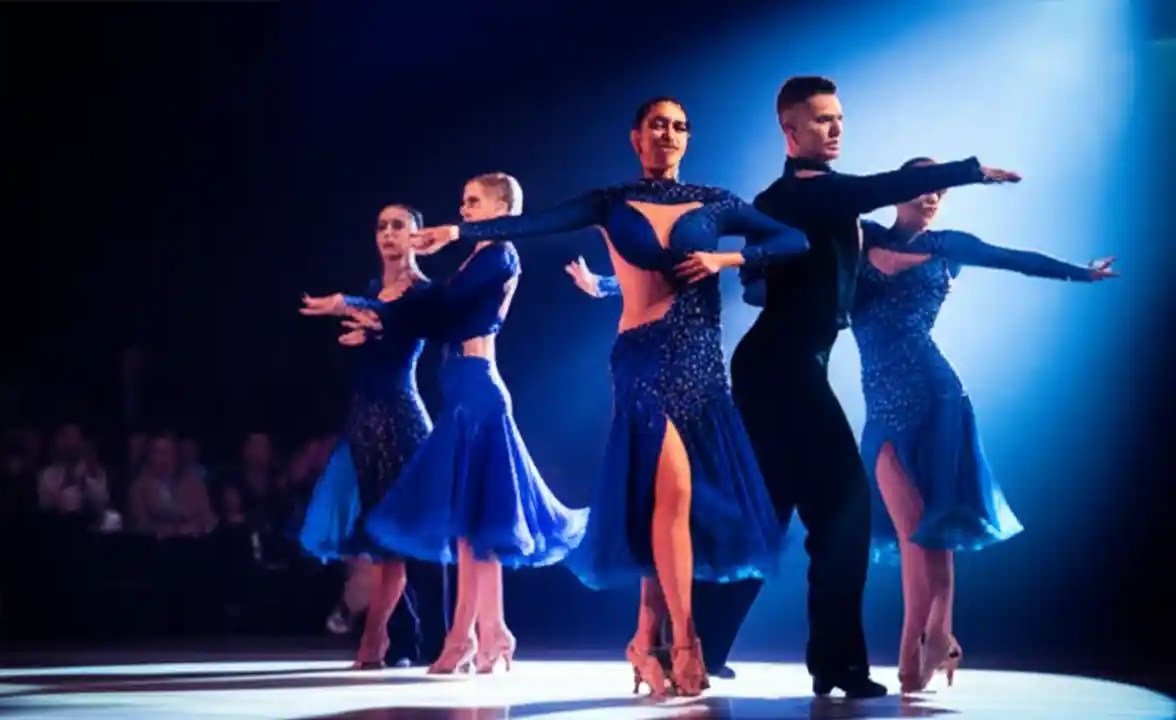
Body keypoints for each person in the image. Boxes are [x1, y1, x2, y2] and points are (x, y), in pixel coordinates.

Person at [409, 98, 806, 696]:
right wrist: (462, 230)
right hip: (641, 358)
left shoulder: (717, 202)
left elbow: (793, 240)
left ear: (686, 139)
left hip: (702, 361)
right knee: (670, 492)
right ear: (636, 137)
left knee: (669, 508)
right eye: (656, 126)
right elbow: (534, 223)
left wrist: (729, 256)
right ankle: (685, 639)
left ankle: (644, 636)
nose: (667, 135)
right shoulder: (610, 202)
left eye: (678, 127)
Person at [709, 75, 1023, 698]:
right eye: (822, 120)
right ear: (790, 129)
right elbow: (881, 188)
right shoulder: (809, 192)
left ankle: (700, 641)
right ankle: (838, 666)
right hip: (784, 366)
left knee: (768, 515)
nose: (835, 129)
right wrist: (969, 170)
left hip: (784, 363)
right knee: (846, 513)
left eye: (840, 119)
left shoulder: (787, 201)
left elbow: (758, 283)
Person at [303, 173, 587, 675]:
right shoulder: (477, 259)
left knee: (475, 524)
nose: (464, 210)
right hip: (460, 391)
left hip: (477, 392)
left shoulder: (501, 253)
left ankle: (465, 638)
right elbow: (432, 319)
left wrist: (363, 306)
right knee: (474, 525)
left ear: (502, 208)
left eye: (473, 202)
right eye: (463, 202)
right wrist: (369, 314)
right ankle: (492, 633)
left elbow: (439, 307)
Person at [852, 157, 1118, 693]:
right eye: (923, 188)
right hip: (881, 403)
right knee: (912, 530)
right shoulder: (862, 235)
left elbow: (1013, 259)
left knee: (935, 526)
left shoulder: (950, 244)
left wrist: (1081, 272)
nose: (932, 198)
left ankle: (926, 637)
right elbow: (824, 214)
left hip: (937, 395)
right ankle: (932, 639)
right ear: (901, 190)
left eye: (942, 192)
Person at [297, 204, 436, 669]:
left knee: (391, 538)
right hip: (363, 418)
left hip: (400, 420)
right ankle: (395, 637)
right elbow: (379, 321)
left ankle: (377, 639)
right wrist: (363, 329)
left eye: (399, 226)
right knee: (371, 537)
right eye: (382, 226)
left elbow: (401, 320)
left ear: (417, 236)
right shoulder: (375, 289)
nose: (389, 233)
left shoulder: (420, 291)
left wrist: (348, 306)